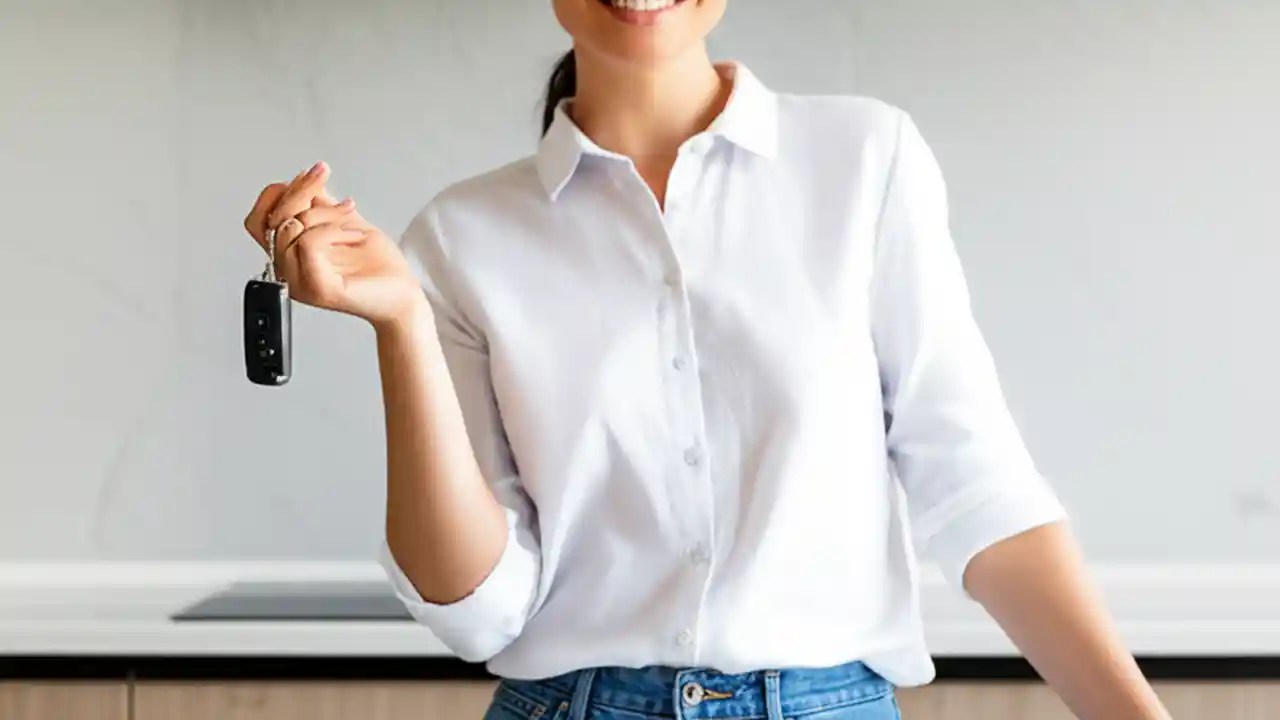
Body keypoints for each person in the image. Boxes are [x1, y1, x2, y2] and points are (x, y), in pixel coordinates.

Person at [242, 2, 1172, 718]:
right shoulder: (458, 237)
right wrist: (399, 322)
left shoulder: (865, 159)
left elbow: (975, 491)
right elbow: (481, 612)